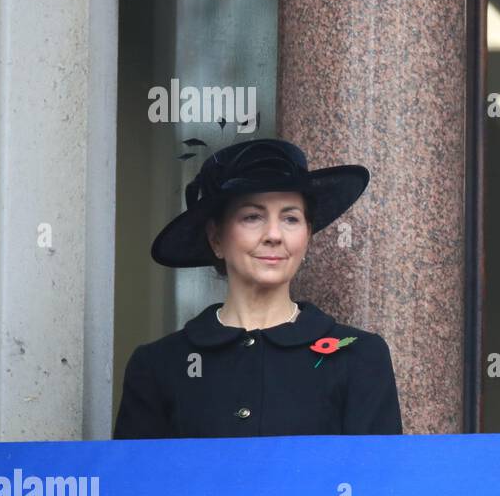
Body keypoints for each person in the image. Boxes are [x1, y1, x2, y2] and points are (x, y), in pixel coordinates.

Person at [113, 139, 403, 438]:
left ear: (307, 236)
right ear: (216, 238)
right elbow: (139, 482)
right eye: (252, 217)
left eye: (290, 218)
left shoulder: (359, 357)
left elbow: (377, 481)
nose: (274, 235)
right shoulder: (158, 366)